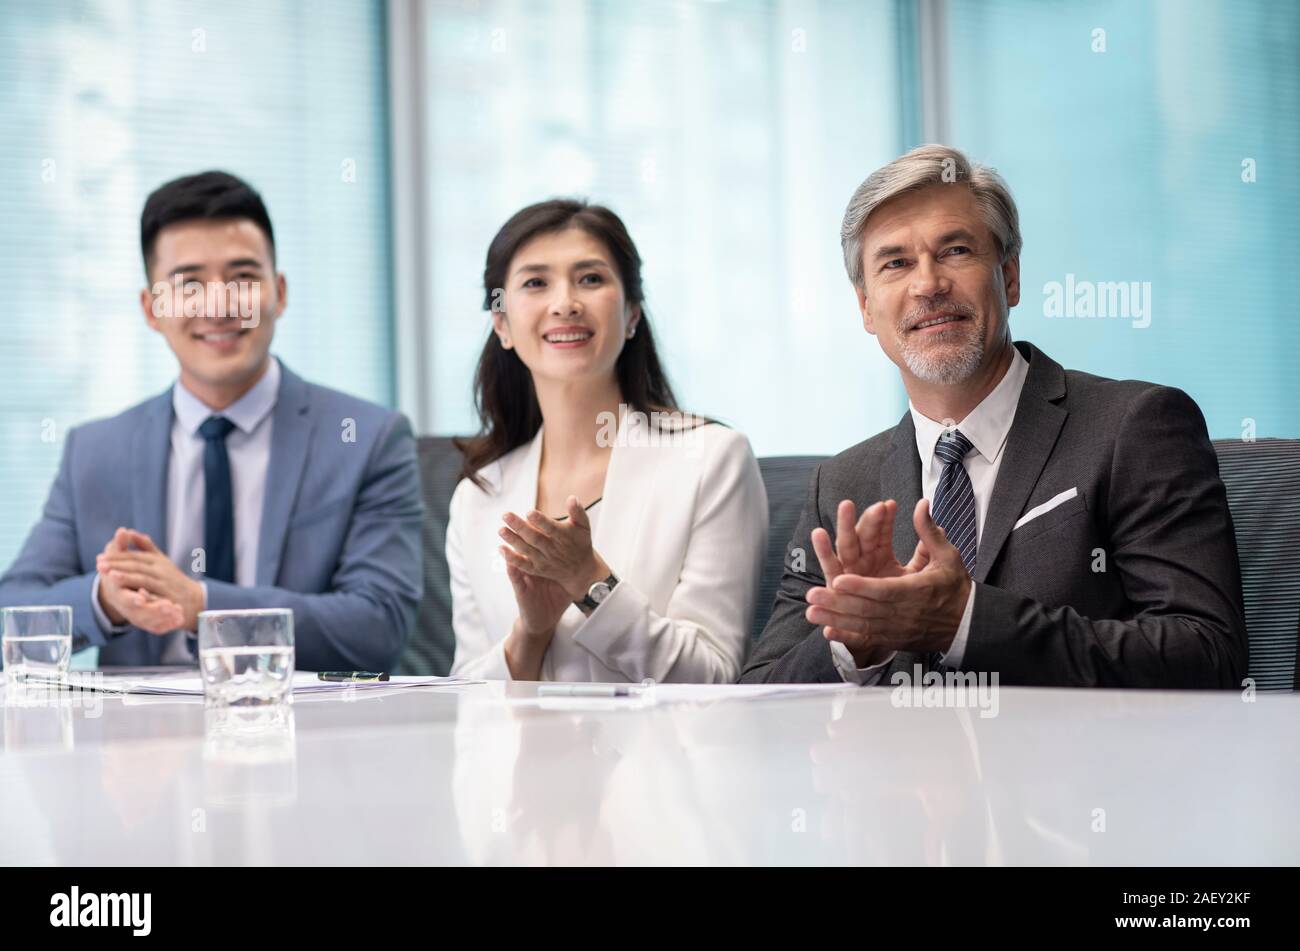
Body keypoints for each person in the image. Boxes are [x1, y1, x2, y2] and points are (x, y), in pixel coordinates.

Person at [742, 145, 1246, 688]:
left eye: (955, 251)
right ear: (866, 307)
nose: (928, 284)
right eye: (896, 263)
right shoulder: (841, 486)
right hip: (894, 772)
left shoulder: (1135, 427)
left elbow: (1207, 653)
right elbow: (760, 693)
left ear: (1009, 277)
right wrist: (853, 646)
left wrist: (966, 623)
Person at [0, 171, 423, 671]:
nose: (219, 305)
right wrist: (106, 601)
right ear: (151, 309)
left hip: (302, 732)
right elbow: (13, 614)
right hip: (137, 739)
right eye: (189, 284)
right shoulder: (95, 451)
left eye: (243, 278)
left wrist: (200, 604)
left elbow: (379, 629)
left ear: (279, 293)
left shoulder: (367, 439)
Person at [448, 200, 767, 682]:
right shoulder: (478, 496)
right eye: (536, 283)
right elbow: (466, 700)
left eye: (591, 279)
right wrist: (530, 634)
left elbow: (713, 678)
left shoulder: (711, 461)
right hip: (522, 758)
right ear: (502, 324)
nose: (565, 303)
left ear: (633, 313)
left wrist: (590, 582)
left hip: (663, 758)